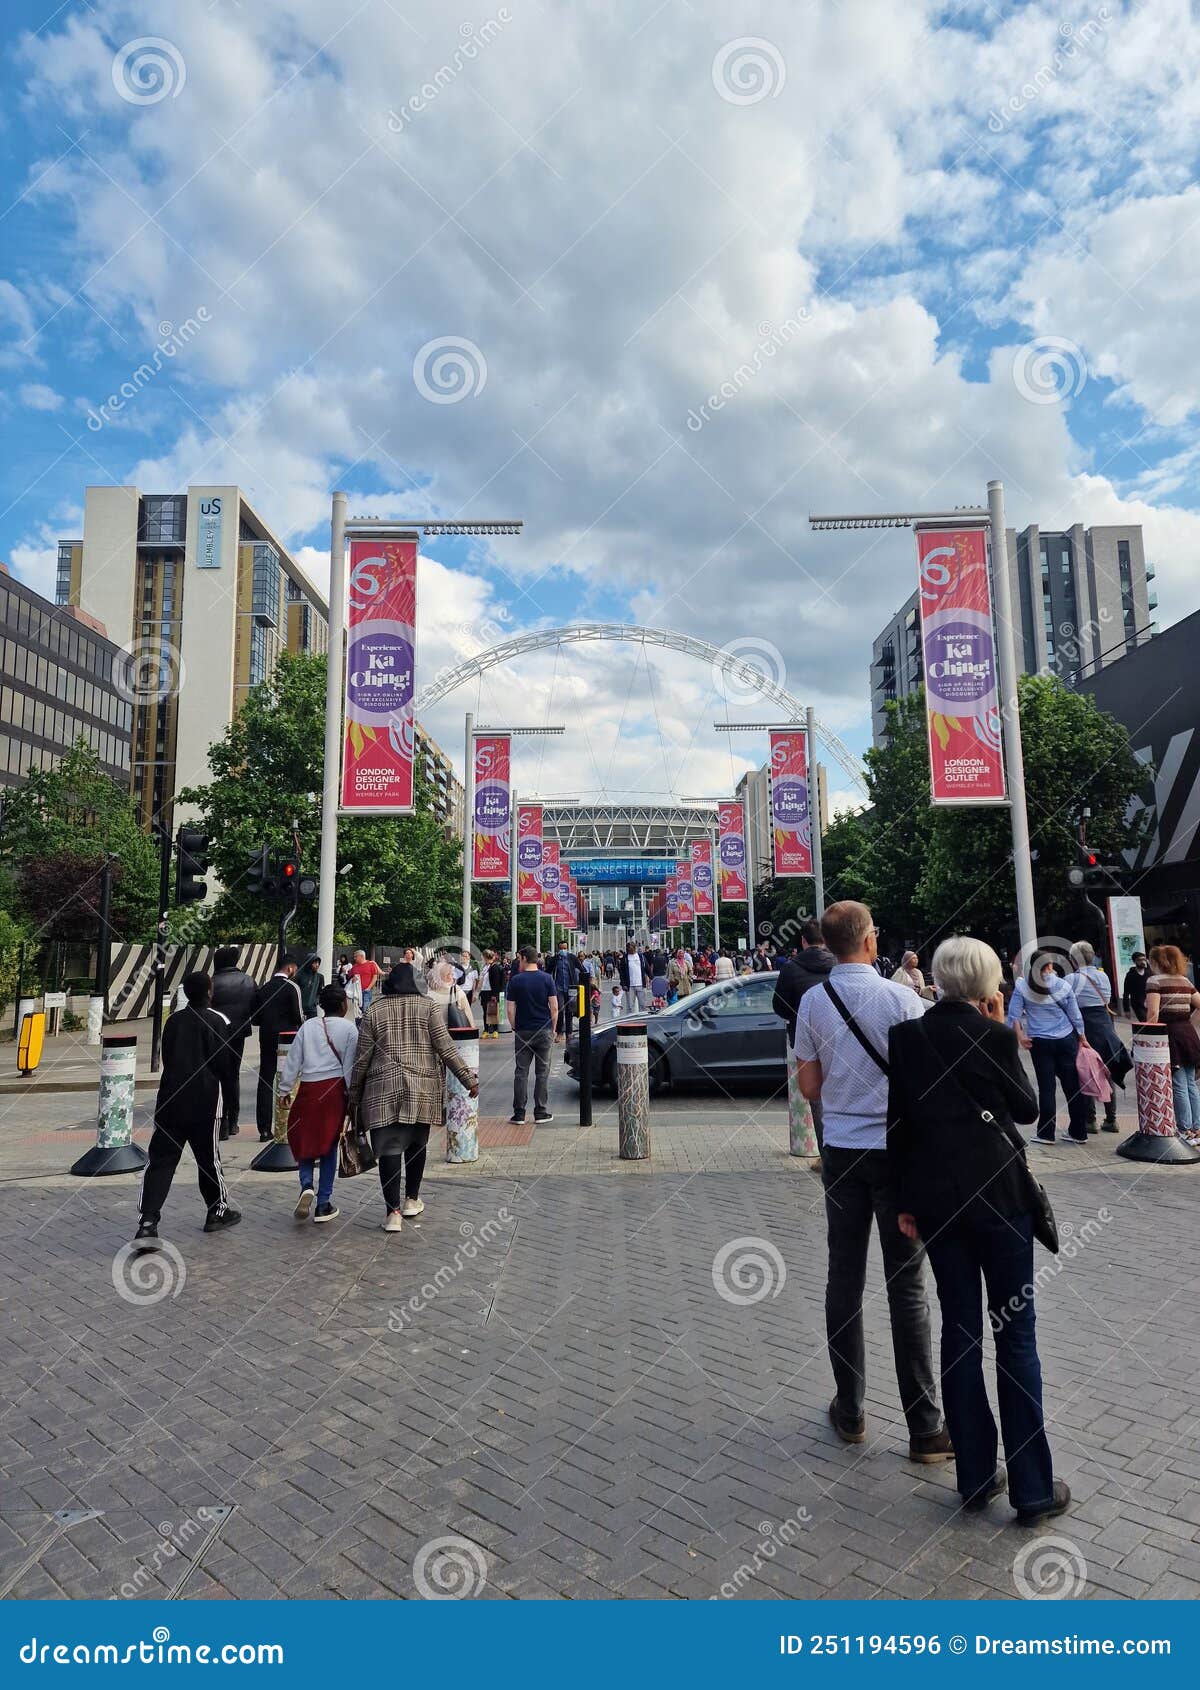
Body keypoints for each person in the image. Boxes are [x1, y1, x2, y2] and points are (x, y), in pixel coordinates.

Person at [887, 937, 1068, 1525]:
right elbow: (1025, 1108)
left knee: (960, 1329)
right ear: (988, 985)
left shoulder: (907, 1038)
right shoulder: (991, 1036)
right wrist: (1006, 1038)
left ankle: (972, 1476)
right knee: (1016, 1335)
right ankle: (1034, 1489)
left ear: (938, 977)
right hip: (1000, 1201)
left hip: (938, 1204)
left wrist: (905, 1202)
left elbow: (900, 1126)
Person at [793, 900, 950, 1463]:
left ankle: (852, 1409)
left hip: (842, 1155)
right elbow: (924, 1078)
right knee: (908, 1285)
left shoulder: (814, 1001)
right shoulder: (902, 998)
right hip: (898, 1155)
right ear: (869, 941)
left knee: (844, 1278)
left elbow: (809, 1087)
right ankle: (926, 1427)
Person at [350, 961, 477, 1232]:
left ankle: (392, 1212)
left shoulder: (374, 1010)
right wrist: (468, 1080)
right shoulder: (429, 1007)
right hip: (422, 1088)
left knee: (389, 1149)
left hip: (381, 1088)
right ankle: (411, 1199)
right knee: (417, 1145)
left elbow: (361, 1059)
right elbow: (446, 1048)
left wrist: (354, 1094)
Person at [134, 972, 240, 1247]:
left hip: (170, 1098)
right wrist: (229, 1108)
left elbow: (168, 1057)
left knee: (161, 1161)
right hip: (205, 1098)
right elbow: (225, 1068)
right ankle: (217, 1209)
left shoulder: (173, 1022)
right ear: (209, 993)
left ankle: (148, 1221)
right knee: (208, 1158)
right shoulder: (217, 1022)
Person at [280, 982, 357, 1223]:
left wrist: (284, 1089)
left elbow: (293, 1061)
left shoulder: (308, 1027)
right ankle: (324, 1203)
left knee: (304, 1138)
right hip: (334, 1092)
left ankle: (305, 1184)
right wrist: (353, 1098)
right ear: (344, 1004)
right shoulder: (349, 1030)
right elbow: (350, 1068)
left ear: (322, 1005)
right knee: (329, 1145)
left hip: (308, 1089)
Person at [1007, 953, 1089, 1143]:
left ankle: (1046, 1133)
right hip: (1066, 1039)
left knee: (1046, 1088)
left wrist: (1021, 1037)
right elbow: (1075, 1015)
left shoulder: (1023, 986)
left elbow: (1014, 1016)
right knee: (1072, 1086)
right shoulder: (1063, 985)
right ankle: (1078, 1131)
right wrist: (1082, 1037)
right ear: (1050, 965)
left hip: (1039, 1042)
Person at [772, 918, 835, 1148]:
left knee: (814, 1096)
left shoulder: (790, 968)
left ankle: (825, 1150)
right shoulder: (838, 964)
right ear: (825, 940)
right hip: (839, 1036)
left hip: (804, 1038)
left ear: (803, 941)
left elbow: (779, 1006)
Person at [1145, 946, 1200, 1145]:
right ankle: (1197, 1128)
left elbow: (1152, 1015)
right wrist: (1189, 1023)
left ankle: (1184, 1129)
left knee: (1178, 1084)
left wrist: (1148, 1039)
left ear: (1156, 962)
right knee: (1191, 1083)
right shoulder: (1185, 981)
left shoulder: (1154, 981)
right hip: (1188, 1034)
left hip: (1170, 1035)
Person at [1069, 941, 1123, 1132]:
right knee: (1107, 1072)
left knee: (1084, 1072)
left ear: (1073, 959)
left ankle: (1090, 1120)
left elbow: (1068, 1005)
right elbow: (1107, 1000)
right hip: (1106, 1027)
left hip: (1084, 1030)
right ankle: (1111, 1119)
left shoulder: (1071, 980)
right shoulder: (1103, 976)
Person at [252, 954, 304, 1141]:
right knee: (289, 1080)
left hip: (267, 1037)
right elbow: (299, 1017)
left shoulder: (263, 989)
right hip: (288, 1040)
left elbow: (255, 1018)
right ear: (290, 969)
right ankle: (289, 1123)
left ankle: (264, 1129)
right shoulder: (292, 988)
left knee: (265, 1079)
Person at [208, 946, 257, 1140]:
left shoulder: (211, 982)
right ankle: (233, 1120)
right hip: (238, 1033)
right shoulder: (248, 980)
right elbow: (256, 1006)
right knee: (233, 1075)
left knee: (217, 1076)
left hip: (215, 1034)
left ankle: (220, 1121)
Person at [506, 945, 558, 1124]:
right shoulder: (547, 979)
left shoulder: (515, 981)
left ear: (524, 958)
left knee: (521, 1072)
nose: (518, 962)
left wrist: (514, 1027)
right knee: (542, 1073)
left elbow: (510, 1009)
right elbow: (554, 1006)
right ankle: (540, 1112)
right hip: (544, 1029)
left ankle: (519, 1113)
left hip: (523, 1031)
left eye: (519, 958)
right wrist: (553, 1028)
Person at [427, 955, 473, 1025]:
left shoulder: (429, 993)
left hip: (436, 1031)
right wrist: (472, 1028)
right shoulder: (456, 990)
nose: (453, 977)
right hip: (454, 1030)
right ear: (446, 976)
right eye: (451, 974)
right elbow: (467, 1013)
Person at [619, 942, 649, 1012]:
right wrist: (623, 984)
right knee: (630, 1006)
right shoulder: (625, 958)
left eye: (632, 949)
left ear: (635, 948)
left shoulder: (641, 957)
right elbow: (622, 973)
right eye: (629, 949)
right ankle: (631, 1020)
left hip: (641, 984)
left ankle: (643, 1019)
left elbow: (647, 968)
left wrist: (652, 978)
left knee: (643, 1005)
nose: (630, 951)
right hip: (630, 986)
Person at [1122, 951, 1151, 1022]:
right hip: (1137, 1004)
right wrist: (1126, 1010)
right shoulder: (1130, 975)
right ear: (1135, 962)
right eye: (1140, 960)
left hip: (1150, 1002)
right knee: (1145, 1022)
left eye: (1144, 959)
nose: (1142, 962)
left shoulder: (1149, 973)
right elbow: (1126, 993)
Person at [297, 952, 324, 1020]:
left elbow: (320, 992)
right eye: (315, 963)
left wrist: (316, 1001)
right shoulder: (299, 975)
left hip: (312, 1010)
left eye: (318, 963)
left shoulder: (320, 977)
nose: (317, 965)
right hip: (299, 1009)